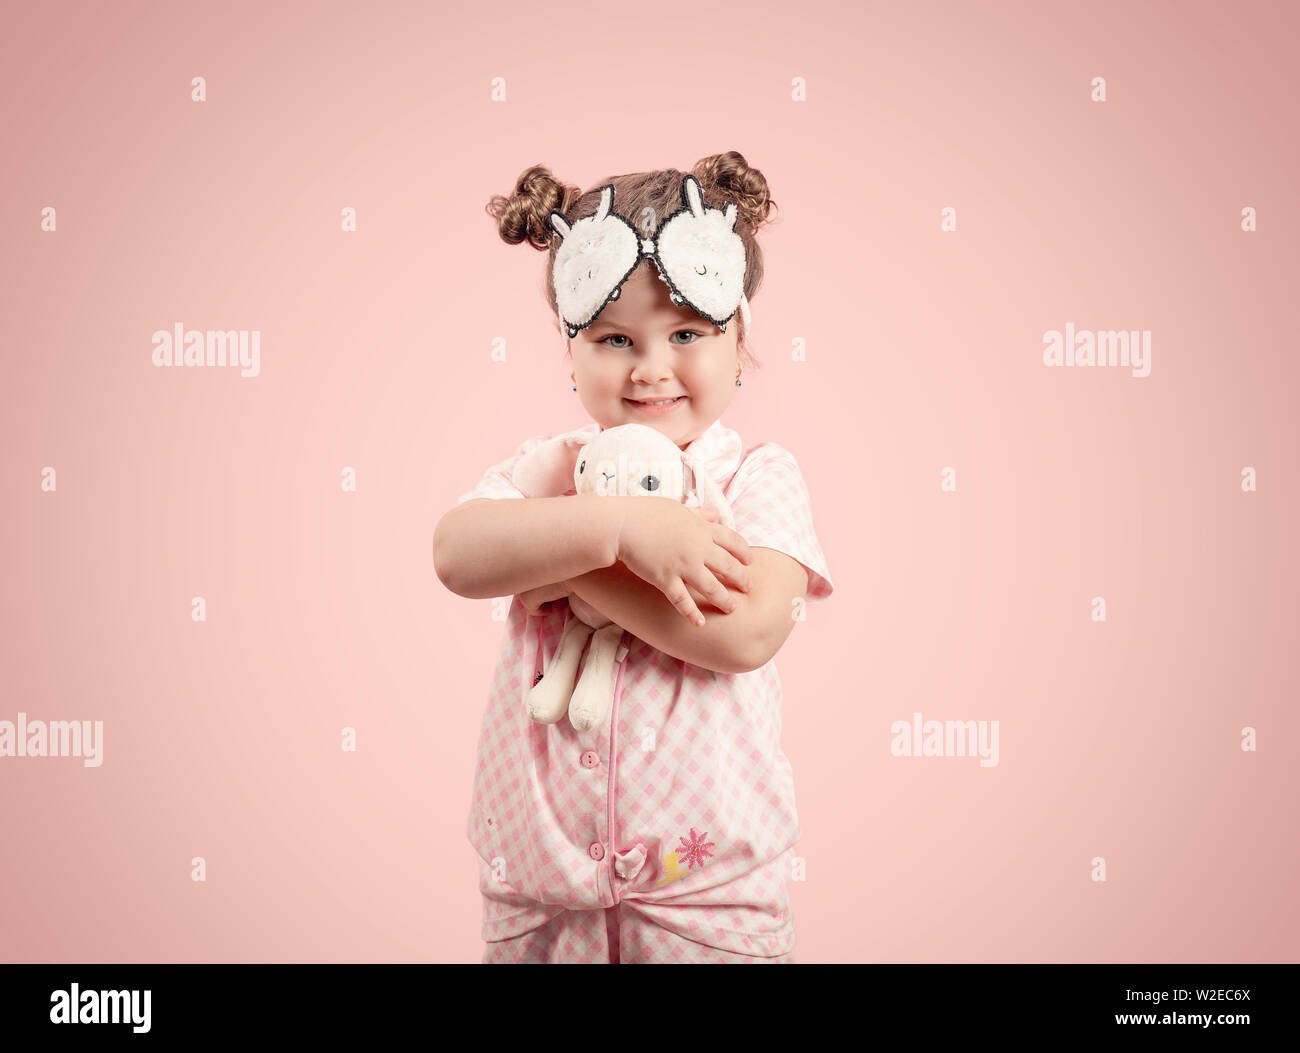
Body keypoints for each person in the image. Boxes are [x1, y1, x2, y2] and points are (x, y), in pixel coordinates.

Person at [433, 151, 834, 963]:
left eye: (686, 332)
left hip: (708, 904)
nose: (651, 367)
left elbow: (747, 632)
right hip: (540, 899)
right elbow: (457, 551)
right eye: (616, 338)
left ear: (740, 341)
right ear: (570, 349)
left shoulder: (757, 477)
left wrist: (569, 561)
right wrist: (617, 530)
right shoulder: (551, 467)